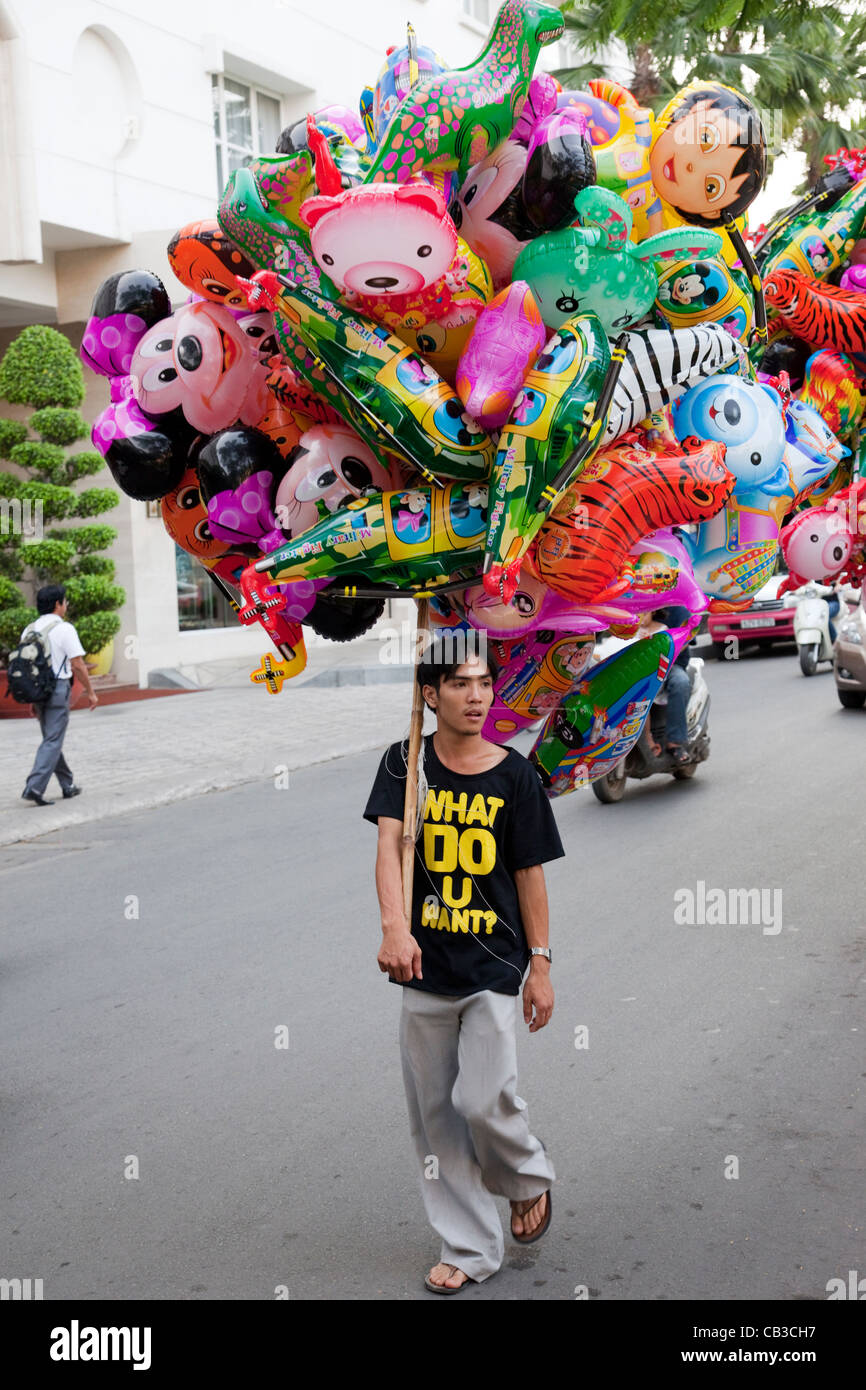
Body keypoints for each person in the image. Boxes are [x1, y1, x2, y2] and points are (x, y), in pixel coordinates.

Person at [363, 632, 564, 1294]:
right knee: (437, 1123)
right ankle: (471, 1247)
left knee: (484, 1099)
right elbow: (390, 850)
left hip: (493, 970)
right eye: (459, 684)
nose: (476, 696)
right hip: (423, 970)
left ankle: (524, 1176)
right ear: (431, 694)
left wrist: (540, 963)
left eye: (483, 683)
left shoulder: (515, 775)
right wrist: (396, 927)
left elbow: (529, 875)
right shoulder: (405, 763)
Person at [21, 584, 98, 807]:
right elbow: (78, 664)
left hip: (37, 690)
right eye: (65, 601)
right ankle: (35, 786)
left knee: (51, 739)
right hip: (57, 689)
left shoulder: (29, 629)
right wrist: (91, 693)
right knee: (53, 740)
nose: (67, 605)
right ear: (57, 604)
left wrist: (31, 697)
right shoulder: (64, 629)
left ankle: (67, 785)